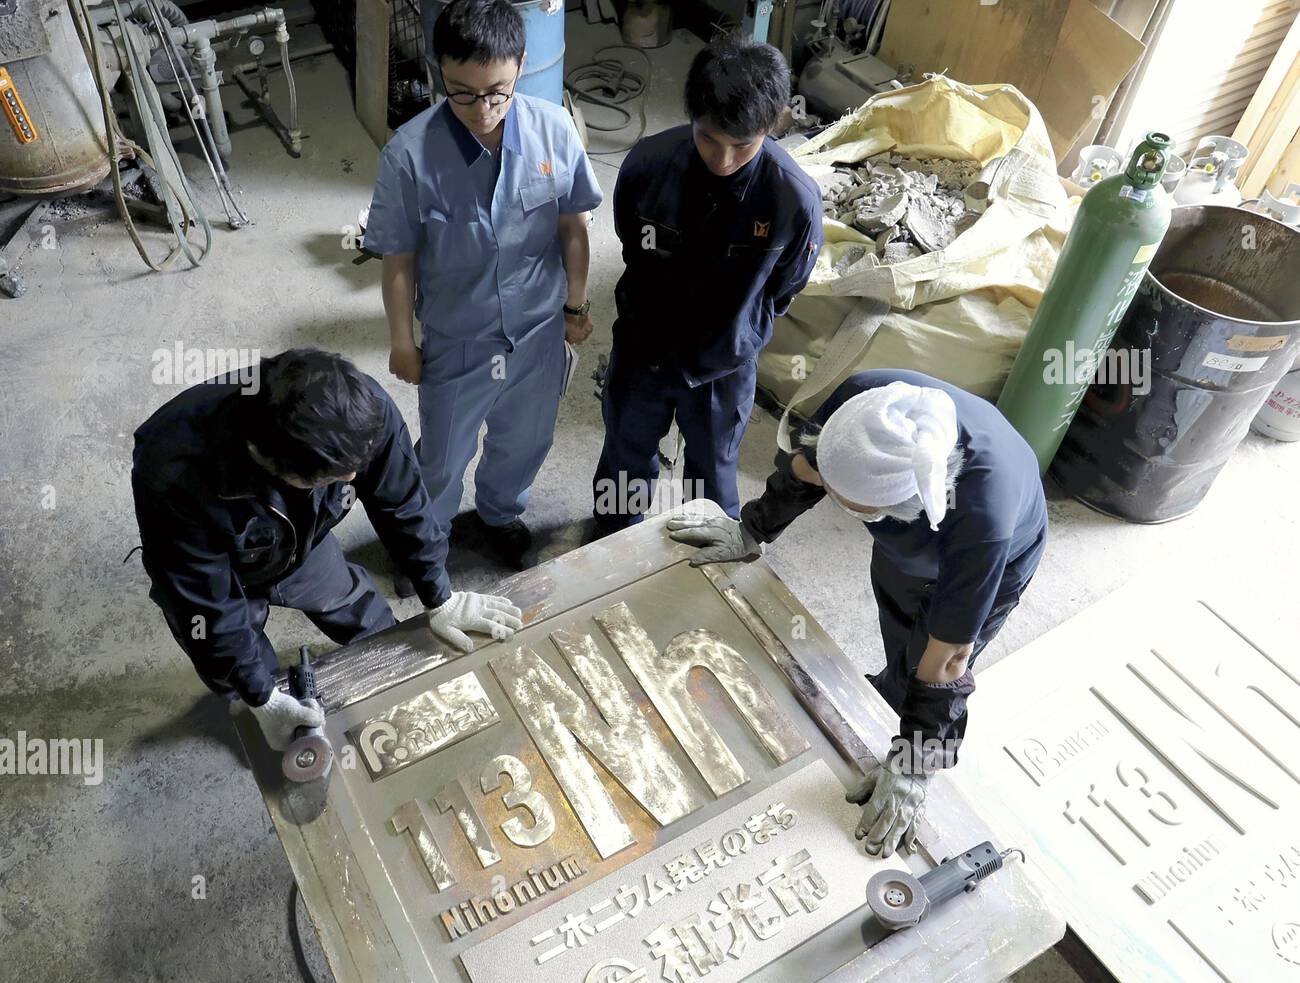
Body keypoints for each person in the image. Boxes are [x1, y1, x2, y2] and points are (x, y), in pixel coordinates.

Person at [668, 370, 1048, 856]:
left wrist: (915, 762)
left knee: (927, 662)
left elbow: (950, 658)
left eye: (860, 511)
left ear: (905, 505)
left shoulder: (982, 520)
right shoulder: (865, 399)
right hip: (909, 550)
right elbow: (809, 469)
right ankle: (888, 694)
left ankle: (899, 732)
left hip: (1000, 558)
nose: (837, 501)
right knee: (902, 646)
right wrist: (751, 531)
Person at [131, 349, 523, 750]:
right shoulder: (173, 468)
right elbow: (205, 603)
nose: (353, 477)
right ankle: (260, 716)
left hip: (302, 544)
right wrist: (260, 697)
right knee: (237, 670)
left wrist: (440, 595)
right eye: (335, 475)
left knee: (363, 612)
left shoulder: (361, 412)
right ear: (270, 462)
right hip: (218, 568)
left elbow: (403, 503)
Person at [365, 0, 602, 571]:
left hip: (539, 331)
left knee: (526, 440)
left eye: (497, 90)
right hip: (459, 336)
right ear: (439, 71)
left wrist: (575, 305)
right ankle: (428, 542)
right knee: (443, 455)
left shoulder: (554, 131)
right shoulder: (409, 155)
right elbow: (397, 260)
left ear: (521, 65)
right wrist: (402, 340)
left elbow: (573, 226)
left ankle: (499, 514)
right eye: (462, 92)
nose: (482, 108)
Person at [589, 36, 823, 535]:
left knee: (711, 475)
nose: (723, 159)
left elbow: (785, 288)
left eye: (743, 145)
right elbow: (632, 245)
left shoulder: (792, 202)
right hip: (643, 348)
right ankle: (612, 538)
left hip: (723, 365)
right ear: (692, 117)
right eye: (709, 139)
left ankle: (702, 556)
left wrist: (738, 333)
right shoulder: (648, 167)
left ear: (774, 123)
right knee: (625, 458)